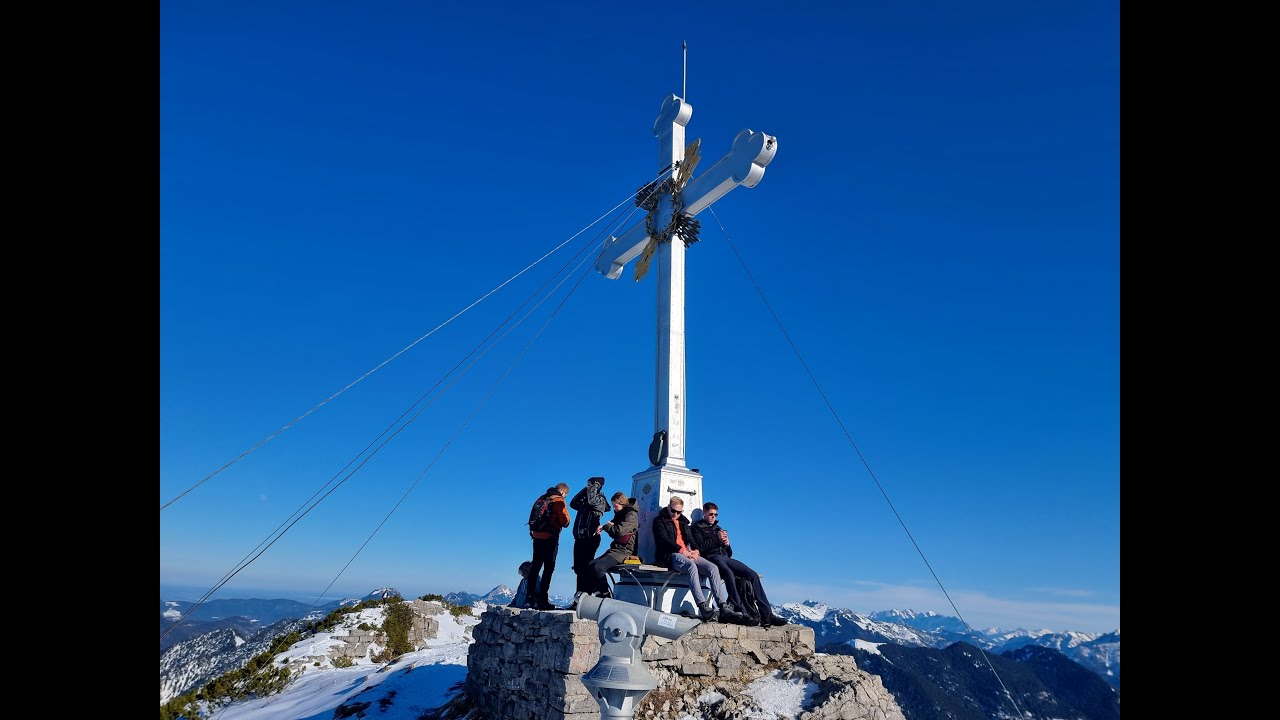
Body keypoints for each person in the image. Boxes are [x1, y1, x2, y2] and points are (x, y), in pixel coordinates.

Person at [691, 502, 786, 627]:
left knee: (752, 574)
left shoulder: (718, 528)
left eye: (715, 514)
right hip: (712, 557)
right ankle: (743, 613)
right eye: (711, 514)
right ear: (704, 513)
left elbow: (729, 553)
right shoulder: (697, 528)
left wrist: (727, 544)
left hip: (725, 557)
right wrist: (716, 538)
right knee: (728, 574)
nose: (713, 517)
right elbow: (700, 547)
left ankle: (767, 614)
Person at [652, 495, 730, 621]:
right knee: (691, 566)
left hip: (688, 553)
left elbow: (691, 539)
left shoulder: (684, 522)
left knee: (712, 568)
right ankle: (702, 606)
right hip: (670, 554)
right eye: (673, 511)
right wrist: (681, 550)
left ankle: (723, 606)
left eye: (679, 512)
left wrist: (696, 550)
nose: (676, 514)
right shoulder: (659, 521)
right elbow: (663, 540)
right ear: (668, 507)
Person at [582, 491, 639, 601]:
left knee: (598, 567)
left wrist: (607, 527)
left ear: (622, 503)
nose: (614, 508)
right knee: (590, 566)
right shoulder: (621, 514)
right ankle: (598, 594)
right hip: (616, 549)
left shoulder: (631, 515)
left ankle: (605, 595)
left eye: (615, 506)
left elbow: (619, 531)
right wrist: (606, 526)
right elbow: (615, 530)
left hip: (625, 551)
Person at [526, 482, 570, 610]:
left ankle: (529, 599)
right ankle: (542, 601)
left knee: (535, 566)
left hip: (537, 536)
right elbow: (565, 521)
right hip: (550, 537)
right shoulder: (558, 500)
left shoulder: (542, 498)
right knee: (548, 568)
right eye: (565, 495)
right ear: (563, 492)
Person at [569, 476, 609, 594]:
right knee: (578, 568)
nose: (588, 487)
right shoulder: (585, 501)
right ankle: (579, 595)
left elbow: (592, 501)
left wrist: (595, 486)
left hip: (590, 537)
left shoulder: (600, 500)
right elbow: (573, 503)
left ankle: (589, 593)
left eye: (590, 484)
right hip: (580, 537)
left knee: (586, 567)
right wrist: (584, 490)